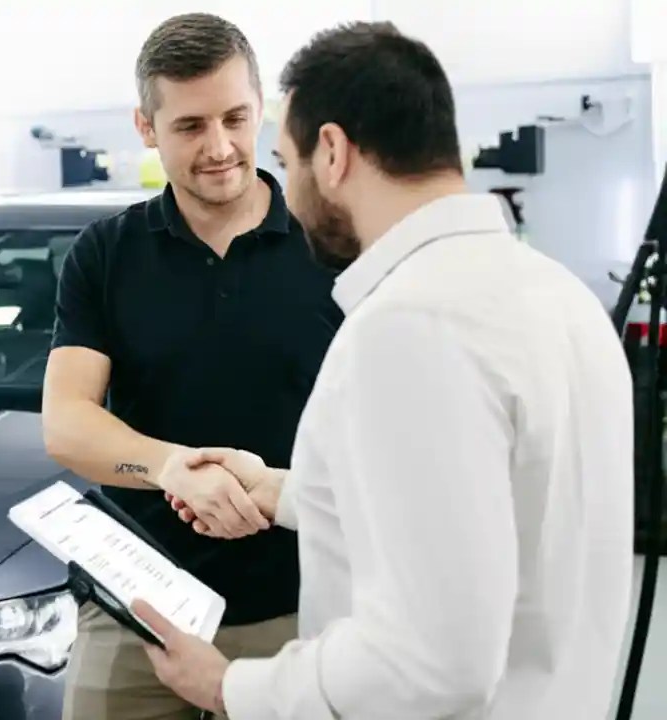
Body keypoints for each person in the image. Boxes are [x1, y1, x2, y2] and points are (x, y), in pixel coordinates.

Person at [134, 21, 635, 720]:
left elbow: (434, 663)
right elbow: (478, 511)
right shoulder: (561, 298)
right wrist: (282, 491)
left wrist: (230, 688)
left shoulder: (411, 326)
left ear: (331, 151)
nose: (290, 190)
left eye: (288, 157)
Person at [41, 12, 343, 720]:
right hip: (140, 610)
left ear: (262, 110)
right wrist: (173, 467)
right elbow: (68, 424)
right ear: (146, 127)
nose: (220, 147)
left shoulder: (332, 240)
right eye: (189, 126)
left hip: (301, 610)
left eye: (236, 118)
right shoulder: (106, 255)